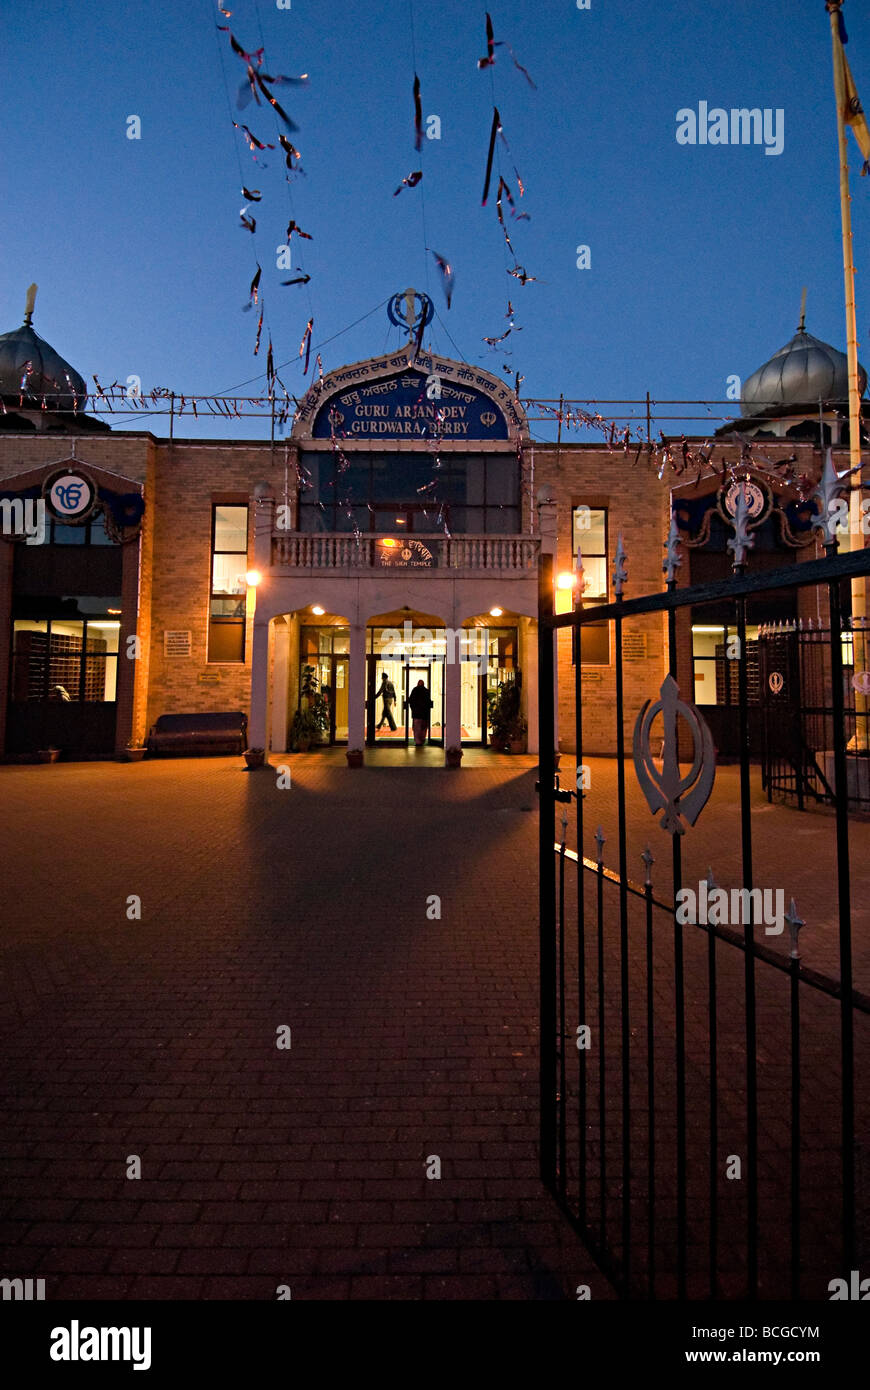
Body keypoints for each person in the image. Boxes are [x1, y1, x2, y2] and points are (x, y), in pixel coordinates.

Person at [408, 678, 433, 747]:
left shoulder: (414, 690)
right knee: (424, 728)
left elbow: (411, 701)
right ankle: (422, 740)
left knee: (416, 728)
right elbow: (429, 702)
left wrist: (413, 709)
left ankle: (418, 742)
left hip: (416, 713)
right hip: (424, 714)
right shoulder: (426, 691)